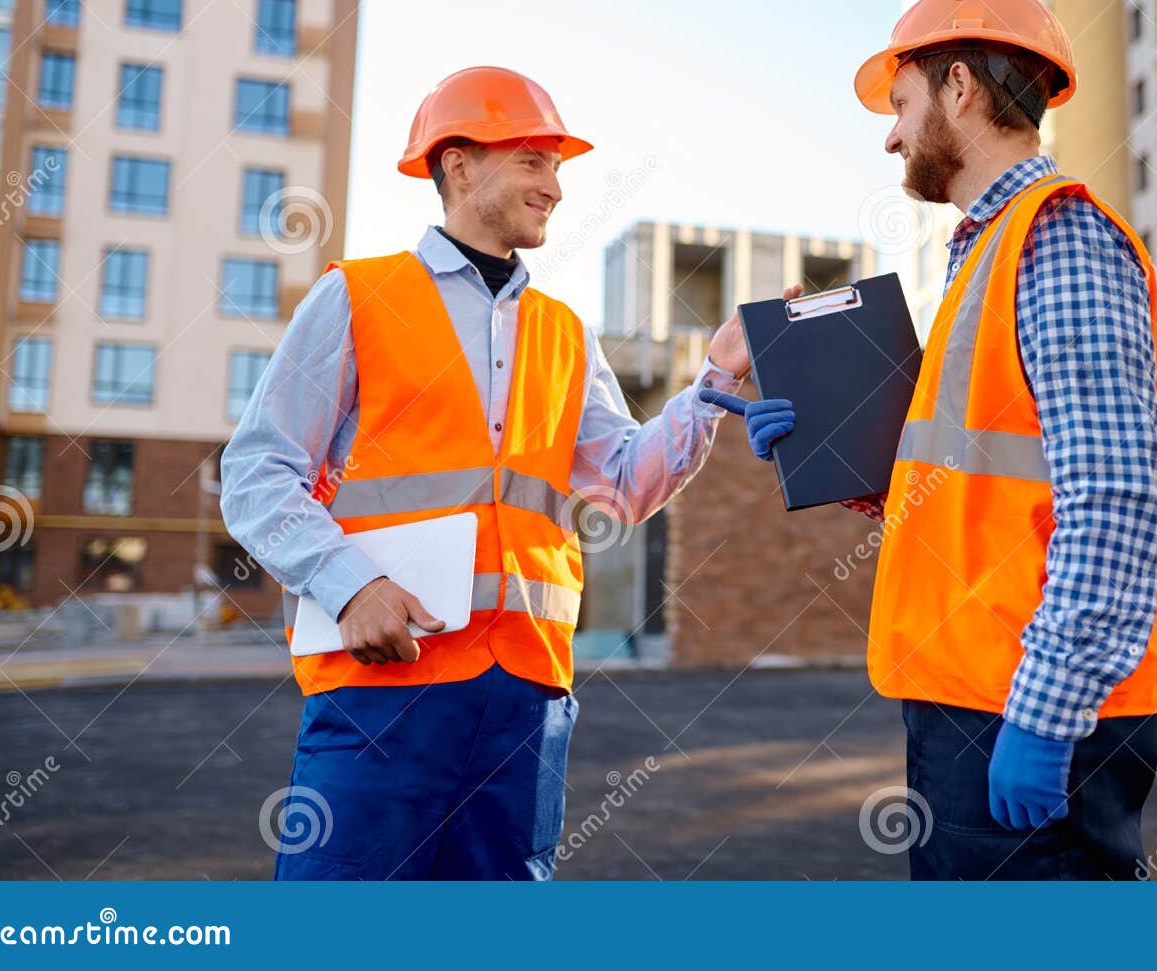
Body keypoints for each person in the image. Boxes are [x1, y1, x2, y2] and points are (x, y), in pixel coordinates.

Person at [221, 66, 793, 880]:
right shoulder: (357, 297)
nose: (555, 187)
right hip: (386, 688)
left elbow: (625, 483)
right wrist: (350, 583)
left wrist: (715, 381)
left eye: (557, 167)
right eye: (533, 160)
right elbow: (256, 476)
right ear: (457, 165)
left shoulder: (564, 333)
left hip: (525, 701)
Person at [722, 0, 1157, 879]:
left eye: (901, 104)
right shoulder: (987, 253)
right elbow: (977, 491)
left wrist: (1044, 717)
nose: (891, 135)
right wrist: (832, 453)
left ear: (960, 86)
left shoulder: (1058, 238)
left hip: (1025, 708)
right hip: (973, 700)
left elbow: (1119, 496)